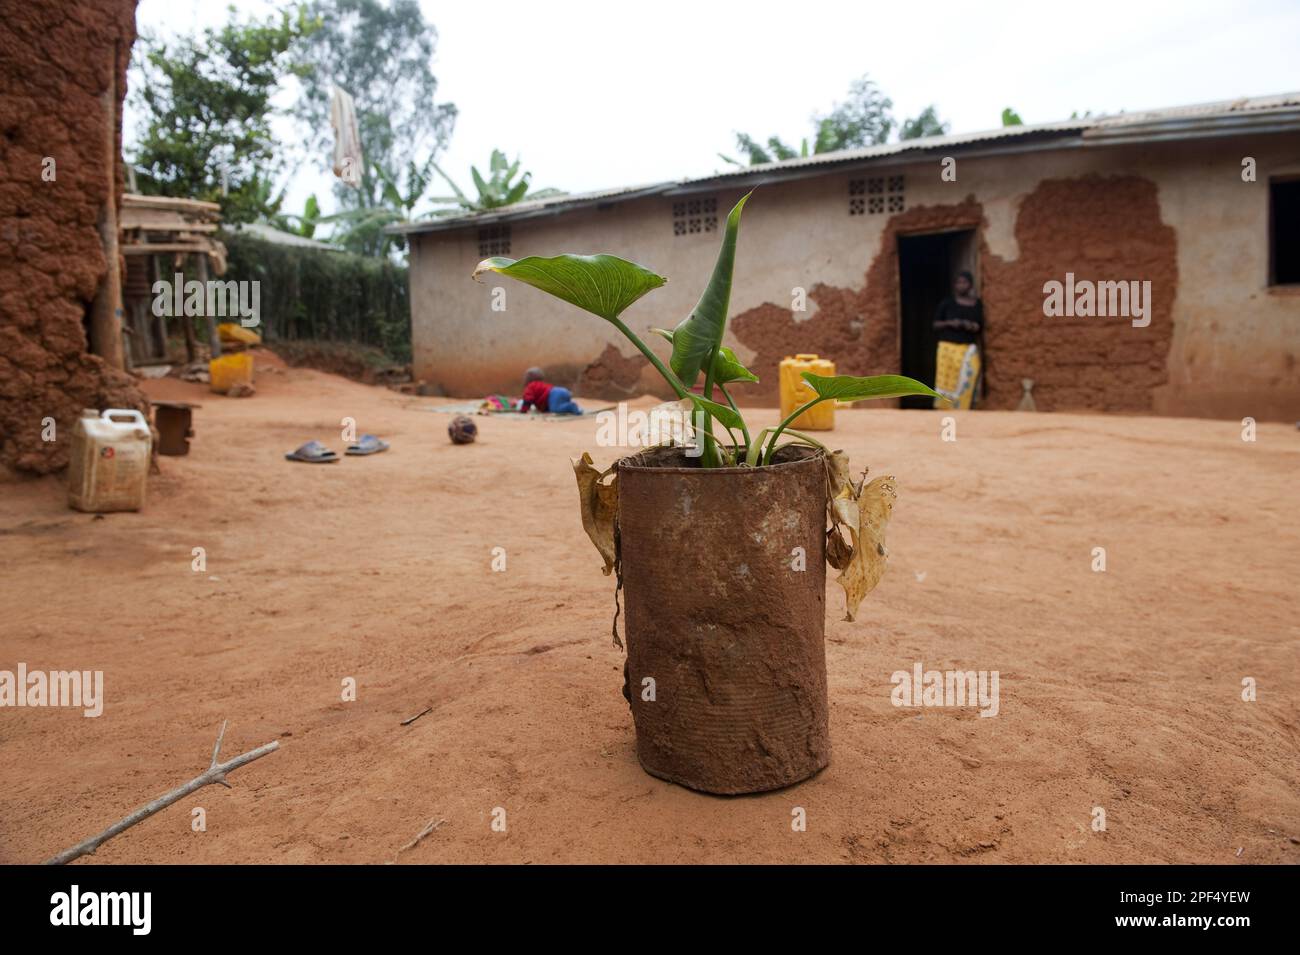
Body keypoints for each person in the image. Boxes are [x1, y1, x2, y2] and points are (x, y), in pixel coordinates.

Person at [932, 270, 985, 409]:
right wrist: (951, 323)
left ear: (971, 285)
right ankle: (945, 408)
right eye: (958, 283)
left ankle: (962, 407)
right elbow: (935, 324)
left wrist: (970, 325)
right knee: (946, 381)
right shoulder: (947, 303)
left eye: (964, 282)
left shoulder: (976, 304)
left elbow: (980, 326)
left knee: (969, 374)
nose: (961, 285)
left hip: (968, 348)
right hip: (948, 348)